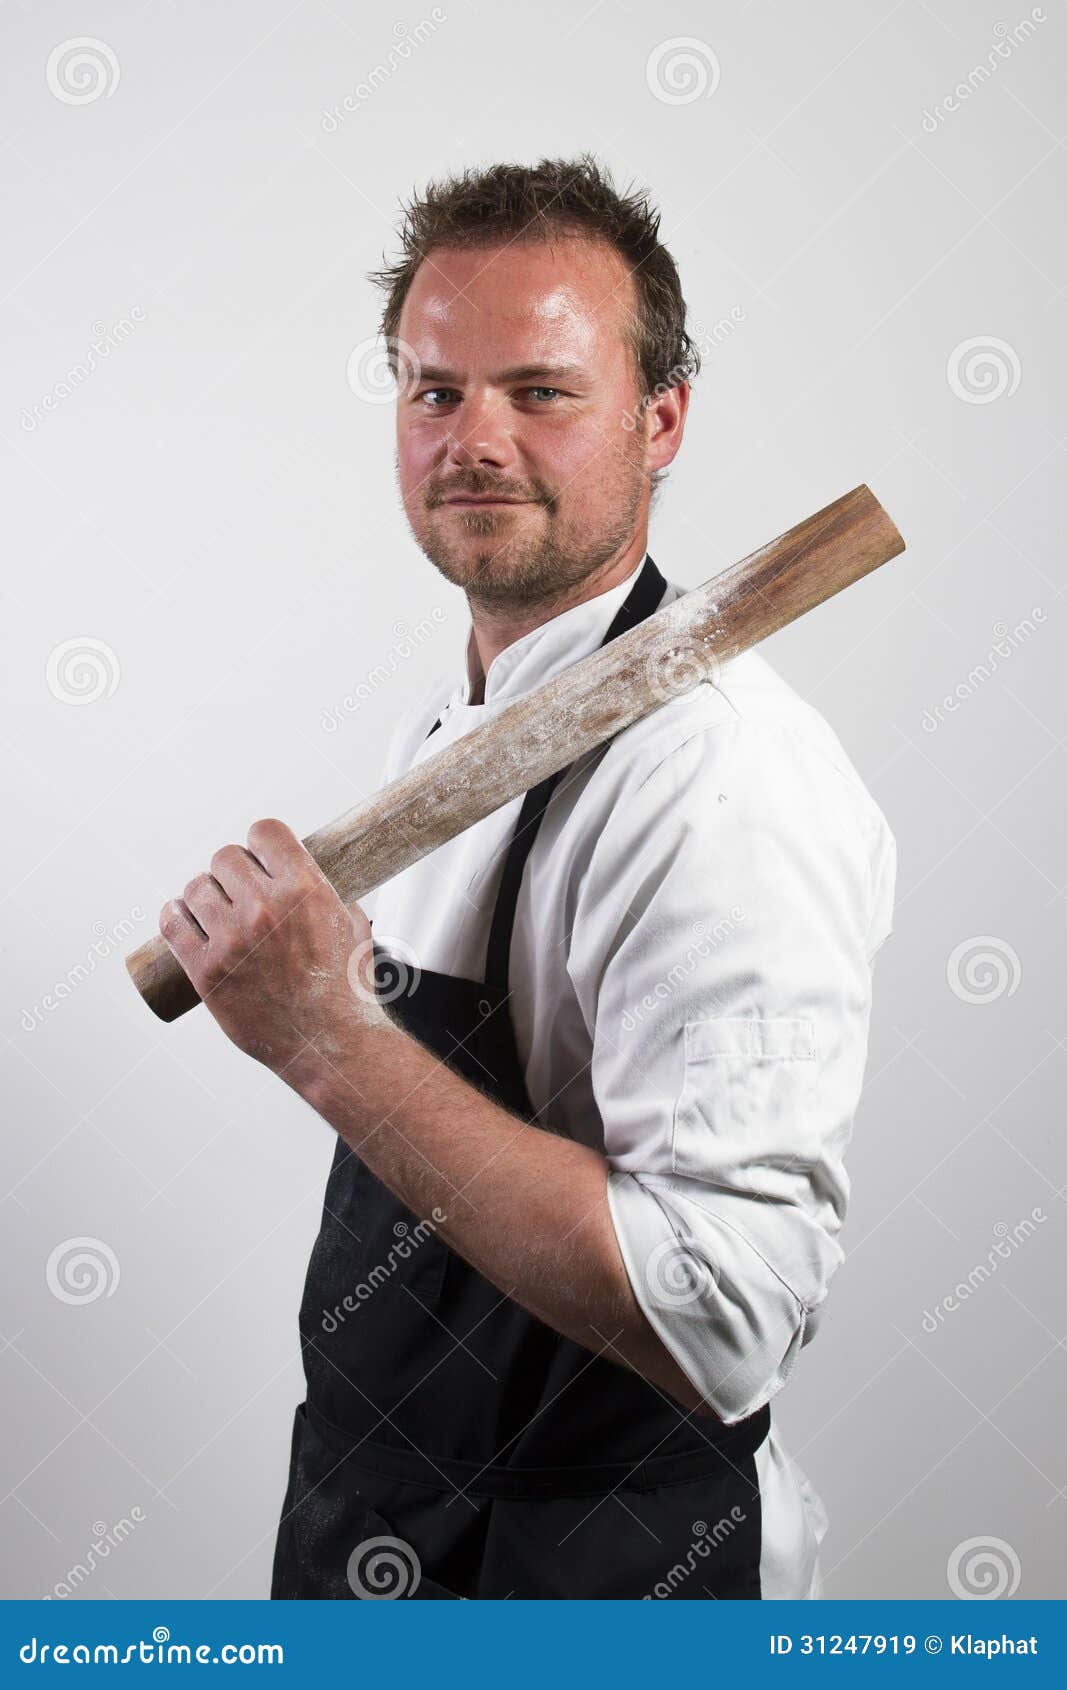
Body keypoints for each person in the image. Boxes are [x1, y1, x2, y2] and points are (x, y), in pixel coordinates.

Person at [157, 155, 896, 1600]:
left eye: (540, 390)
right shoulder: (454, 730)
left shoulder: (719, 779)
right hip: (382, 1530)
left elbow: (721, 1317)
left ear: (661, 418)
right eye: (435, 389)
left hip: (609, 1574)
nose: (474, 437)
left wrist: (324, 1038)